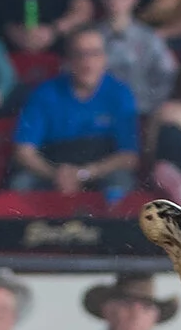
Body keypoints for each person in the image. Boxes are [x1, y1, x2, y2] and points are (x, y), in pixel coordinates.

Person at [10, 26, 141, 200]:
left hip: (100, 169)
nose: (87, 62)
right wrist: (56, 174)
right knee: (20, 185)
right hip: (51, 168)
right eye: (79, 54)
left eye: (94, 54)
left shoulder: (120, 94)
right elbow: (24, 151)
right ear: (68, 60)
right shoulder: (44, 93)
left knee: (120, 186)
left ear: (105, 59)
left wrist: (85, 173)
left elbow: (129, 157)